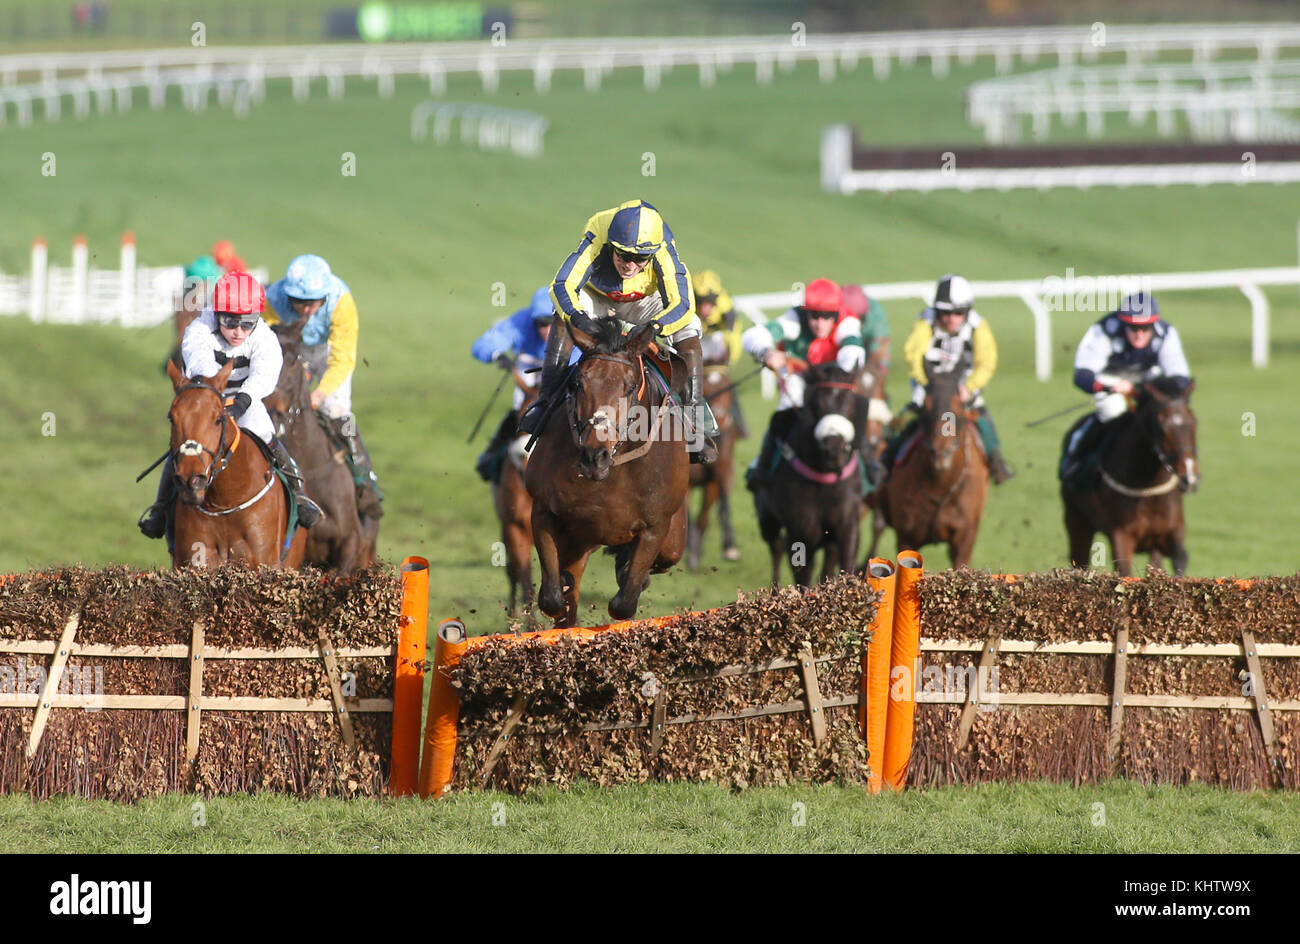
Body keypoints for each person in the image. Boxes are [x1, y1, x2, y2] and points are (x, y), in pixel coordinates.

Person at [518, 199, 719, 463]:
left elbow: (682, 303)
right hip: (598, 298)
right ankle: (544, 403)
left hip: (644, 303)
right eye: (624, 255)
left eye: (640, 259)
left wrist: (656, 326)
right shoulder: (598, 232)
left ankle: (694, 422)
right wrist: (577, 318)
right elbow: (562, 284)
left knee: (688, 326)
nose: (630, 266)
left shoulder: (664, 247)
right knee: (563, 317)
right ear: (611, 244)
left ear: (653, 253)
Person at [139, 271, 322, 539]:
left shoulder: (264, 337)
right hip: (207, 398)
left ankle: (298, 493)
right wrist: (215, 399)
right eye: (230, 322)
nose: (239, 332)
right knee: (184, 443)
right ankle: (161, 508)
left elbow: (266, 371)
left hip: (246, 401)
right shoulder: (199, 329)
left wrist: (244, 399)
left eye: (247, 324)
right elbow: (199, 361)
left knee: (267, 436)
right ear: (217, 314)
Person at [263, 254, 384, 519]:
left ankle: (364, 478)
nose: (307, 310)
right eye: (300, 303)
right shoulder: (272, 299)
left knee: (337, 410)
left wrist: (319, 393)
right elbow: (271, 343)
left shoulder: (342, 302)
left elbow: (342, 359)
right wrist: (297, 377)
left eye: (314, 303)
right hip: (292, 351)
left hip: (329, 351)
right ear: (288, 295)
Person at [883, 274, 1013, 484]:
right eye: (945, 313)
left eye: (958, 313)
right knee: (903, 423)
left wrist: (970, 387)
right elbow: (914, 355)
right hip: (930, 390)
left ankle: (996, 462)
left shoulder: (978, 327)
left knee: (983, 423)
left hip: (961, 393)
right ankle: (886, 463)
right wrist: (928, 385)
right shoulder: (925, 322)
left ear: (967, 311)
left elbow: (986, 361)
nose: (951, 319)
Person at [741, 278, 868, 492]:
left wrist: (837, 373)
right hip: (801, 383)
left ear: (836, 314)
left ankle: (868, 467)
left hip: (834, 385)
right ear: (806, 312)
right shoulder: (795, 319)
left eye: (827, 317)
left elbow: (854, 351)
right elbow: (752, 335)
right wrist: (767, 352)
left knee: (861, 406)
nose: (819, 323)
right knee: (783, 414)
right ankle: (762, 468)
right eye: (814, 316)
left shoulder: (847, 322)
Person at [1060, 292, 1191, 481]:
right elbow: (1082, 374)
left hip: (1149, 380)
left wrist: (1145, 388)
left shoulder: (1167, 334)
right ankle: (1077, 458)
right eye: (1134, 327)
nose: (1139, 334)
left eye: (1145, 328)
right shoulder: (1103, 330)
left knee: (1170, 417)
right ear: (1123, 323)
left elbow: (1180, 379)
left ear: (1154, 324)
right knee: (1113, 412)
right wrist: (1106, 388)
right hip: (1111, 379)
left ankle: (1179, 463)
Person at [471, 286, 578, 482]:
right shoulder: (521, 321)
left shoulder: (575, 322)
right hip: (528, 367)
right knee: (520, 409)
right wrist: (497, 355)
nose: (545, 330)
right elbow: (482, 344)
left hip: (561, 368)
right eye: (540, 324)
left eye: (551, 323)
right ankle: (493, 453)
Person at [692, 268, 749, 438]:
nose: (705, 308)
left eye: (709, 303)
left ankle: (739, 425)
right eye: (701, 302)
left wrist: (728, 361)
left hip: (718, 341)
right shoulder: (687, 301)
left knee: (726, 383)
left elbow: (732, 336)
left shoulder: (725, 305)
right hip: (698, 337)